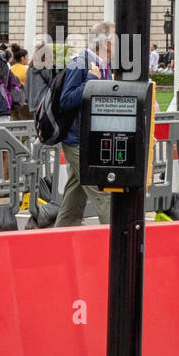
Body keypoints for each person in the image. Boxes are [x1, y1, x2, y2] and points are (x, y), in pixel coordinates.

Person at [55, 22, 116, 227]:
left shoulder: (103, 64)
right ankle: (117, 245)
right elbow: (66, 100)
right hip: (77, 139)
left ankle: (59, 238)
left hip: (89, 138)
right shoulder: (80, 63)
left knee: (75, 195)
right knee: (102, 191)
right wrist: (90, 80)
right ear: (106, 42)